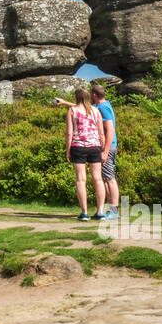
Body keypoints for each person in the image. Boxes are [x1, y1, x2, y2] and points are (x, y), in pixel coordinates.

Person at [55, 88, 106, 221]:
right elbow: (101, 133)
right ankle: (100, 211)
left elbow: (69, 133)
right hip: (95, 147)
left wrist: (67, 150)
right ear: (88, 97)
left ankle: (84, 213)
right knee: (98, 179)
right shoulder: (96, 111)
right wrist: (103, 149)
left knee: (81, 179)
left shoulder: (72, 111)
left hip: (78, 147)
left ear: (76, 97)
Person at [91, 83, 119, 219]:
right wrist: (66, 103)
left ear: (94, 95)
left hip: (109, 147)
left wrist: (105, 152)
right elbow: (83, 108)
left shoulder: (102, 108)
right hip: (107, 147)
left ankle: (114, 212)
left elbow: (110, 130)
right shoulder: (102, 106)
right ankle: (111, 211)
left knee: (110, 179)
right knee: (106, 178)